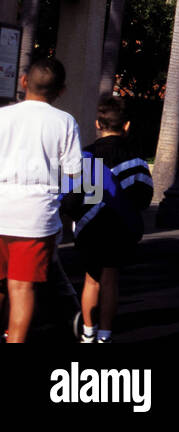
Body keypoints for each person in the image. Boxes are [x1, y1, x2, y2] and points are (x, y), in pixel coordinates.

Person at [0, 58, 82, 343]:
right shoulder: (65, 122)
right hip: (35, 217)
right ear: (62, 90)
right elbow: (74, 172)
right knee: (21, 291)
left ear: (24, 82)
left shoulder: (2, 117)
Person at [62, 95, 153, 343]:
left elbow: (69, 199)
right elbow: (144, 198)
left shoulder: (84, 157)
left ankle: (88, 333)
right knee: (110, 279)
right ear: (126, 126)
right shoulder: (136, 159)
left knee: (91, 280)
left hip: (88, 227)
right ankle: (105, 335)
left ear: (97, 124)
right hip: (119, 227)